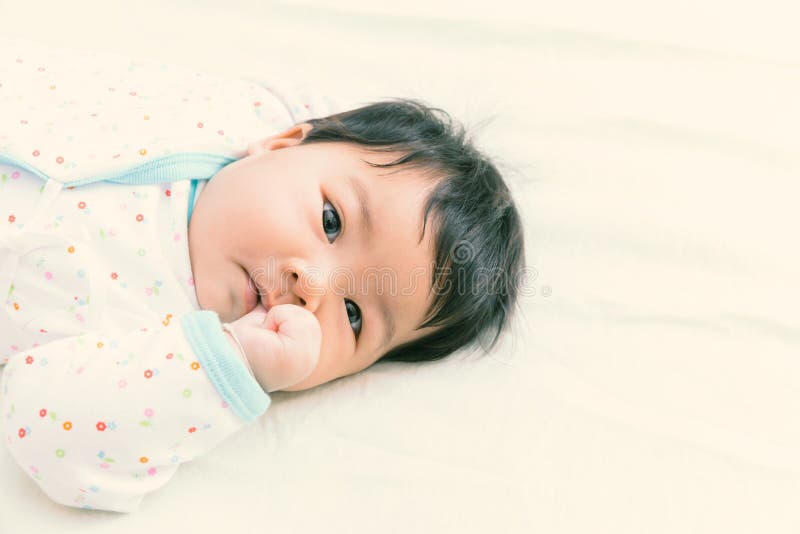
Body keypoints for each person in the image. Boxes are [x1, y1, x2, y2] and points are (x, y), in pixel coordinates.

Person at [0, 98, 526, 512]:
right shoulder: (231, 118)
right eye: (331, 221)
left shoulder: (153, 351)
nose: (312, 286)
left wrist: (226, 365)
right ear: (281, 144)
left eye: (352, 316)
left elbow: (47, 432)